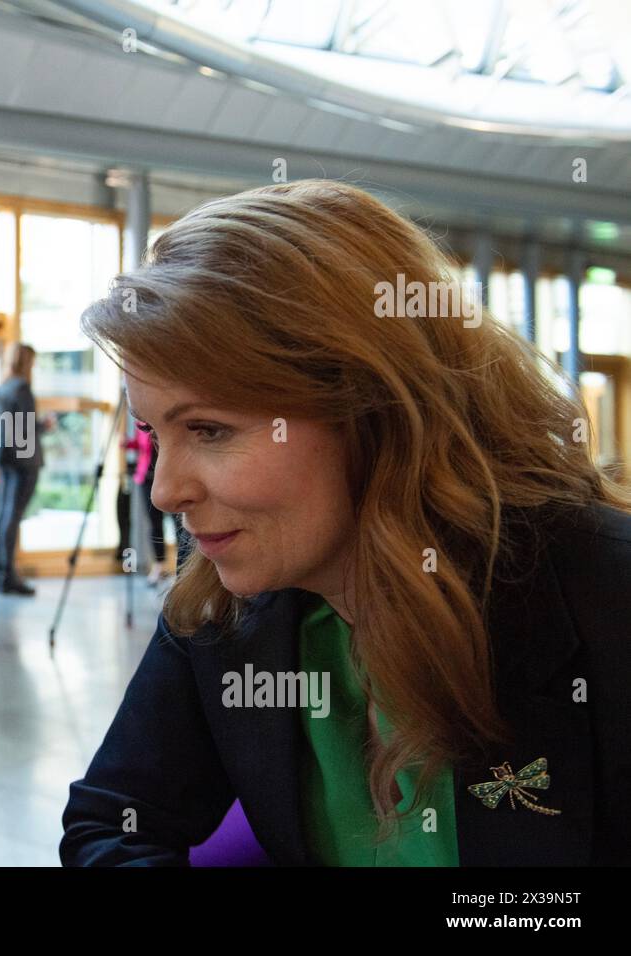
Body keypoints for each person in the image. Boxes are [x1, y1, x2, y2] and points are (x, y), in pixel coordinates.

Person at [61, 180, 631, 866]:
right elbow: (113, 824)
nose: (165, 492)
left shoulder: (606, 596)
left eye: (209, 430)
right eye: (155, 432)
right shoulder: (223, 617)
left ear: (373, 411)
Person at [0, 342, 45, 596]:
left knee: (4, 516)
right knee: (12, 518)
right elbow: (25, 431)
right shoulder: (22, 389)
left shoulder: (2, 387)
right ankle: (8, 576)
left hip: (5, 458)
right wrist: (43, 426)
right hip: (23, 462)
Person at [122, 422, 183, 586]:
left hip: (171, 477)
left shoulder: (166, 419)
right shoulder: (141, 423)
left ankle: (183, 569)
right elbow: (140, 445)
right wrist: (127, 443)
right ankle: (159, 566)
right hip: (146, 478)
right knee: (154, 524)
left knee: (179, 524)